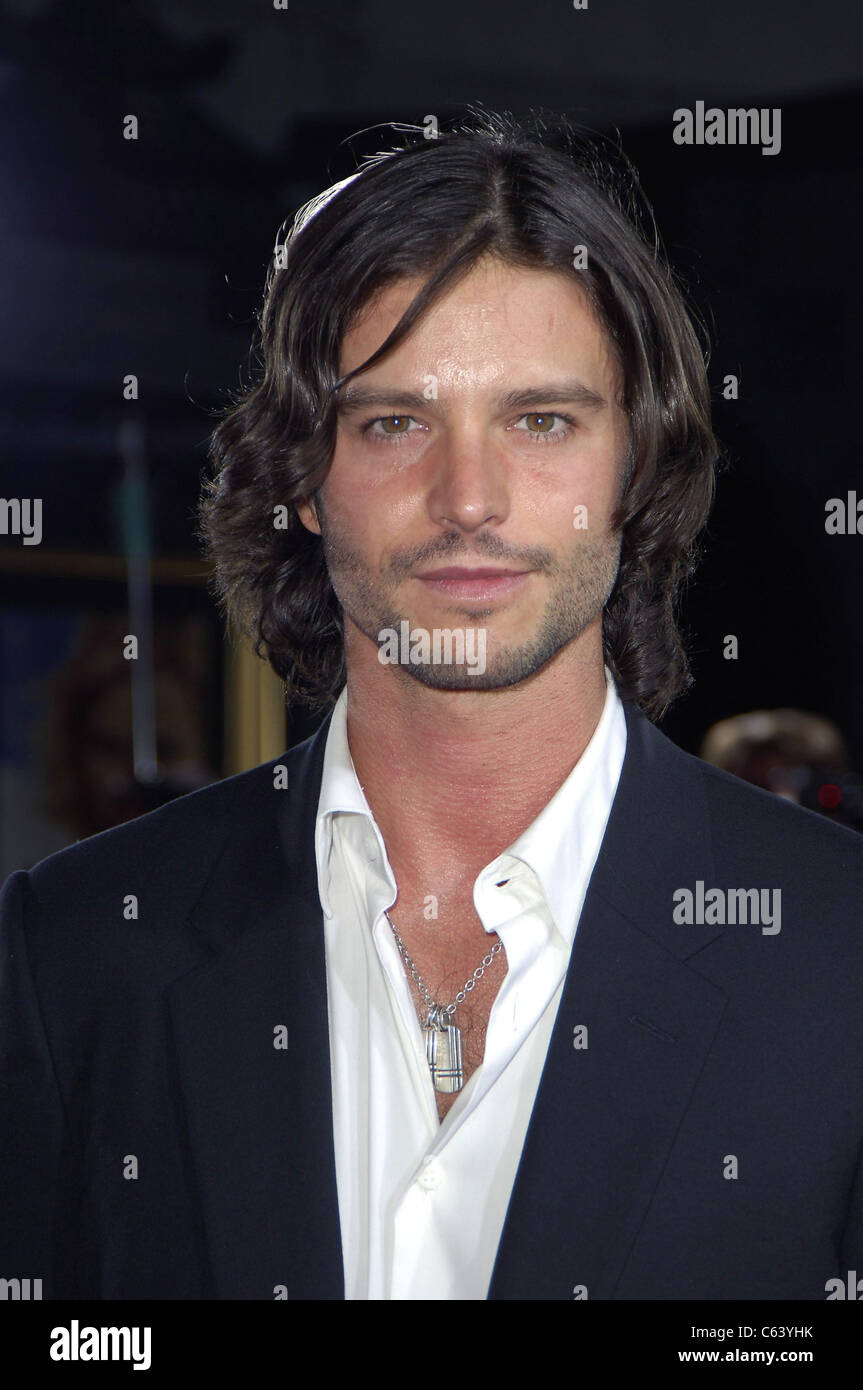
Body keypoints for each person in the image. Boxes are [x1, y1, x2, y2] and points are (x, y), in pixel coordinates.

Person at [2, 110, 862, 1302]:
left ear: (635, 467)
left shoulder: (837, 956)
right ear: (303, 478)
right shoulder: (77, 949)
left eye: (540, 420)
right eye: (394, 421)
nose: (468, 497)